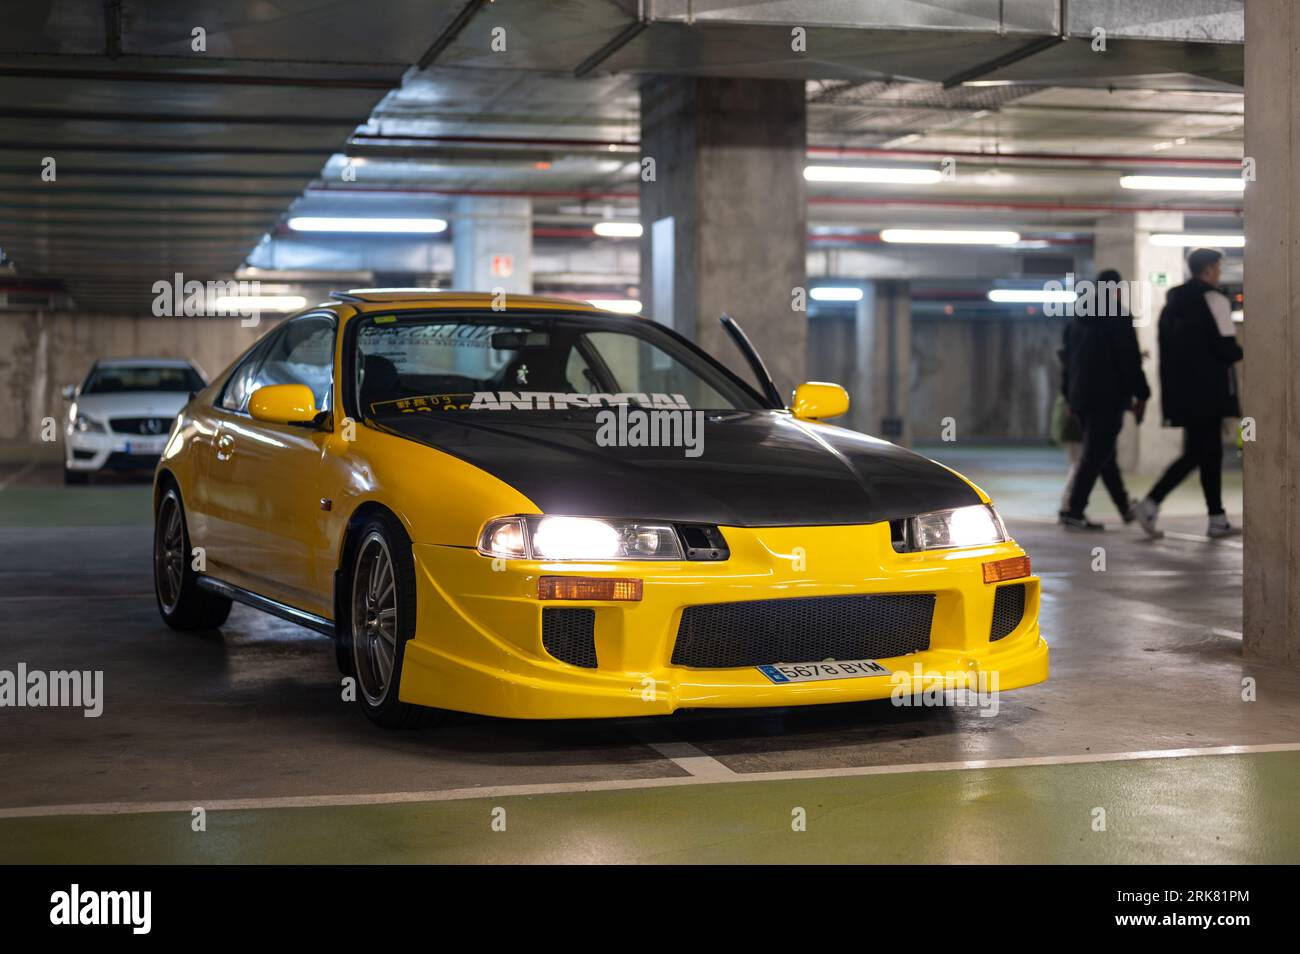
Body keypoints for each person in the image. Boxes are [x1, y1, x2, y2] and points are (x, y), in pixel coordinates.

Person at [1131, 248, 1243, 539]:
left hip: (1182, 393)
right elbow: (1226, 349)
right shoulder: (1214, 300)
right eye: (1218, 267)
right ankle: (1153, 503)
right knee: (1204, 453)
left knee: (1204, 453)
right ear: (1207, 270)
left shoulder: (1172, 305)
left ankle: (1213, 516)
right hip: (1210, 390)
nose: (1220, 272)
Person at [1060, 269, 1150, 530]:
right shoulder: (1118, 316)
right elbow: (1129, 360)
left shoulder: (1076, 320)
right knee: (1095, 454)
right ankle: (1074, 511)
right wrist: (1142, 394)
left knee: (1103, 454)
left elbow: (1067, 363)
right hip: (1108, 398)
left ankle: (1124, 508)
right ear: (1116, 290)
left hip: (1081, 399)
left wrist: (1068, 397)